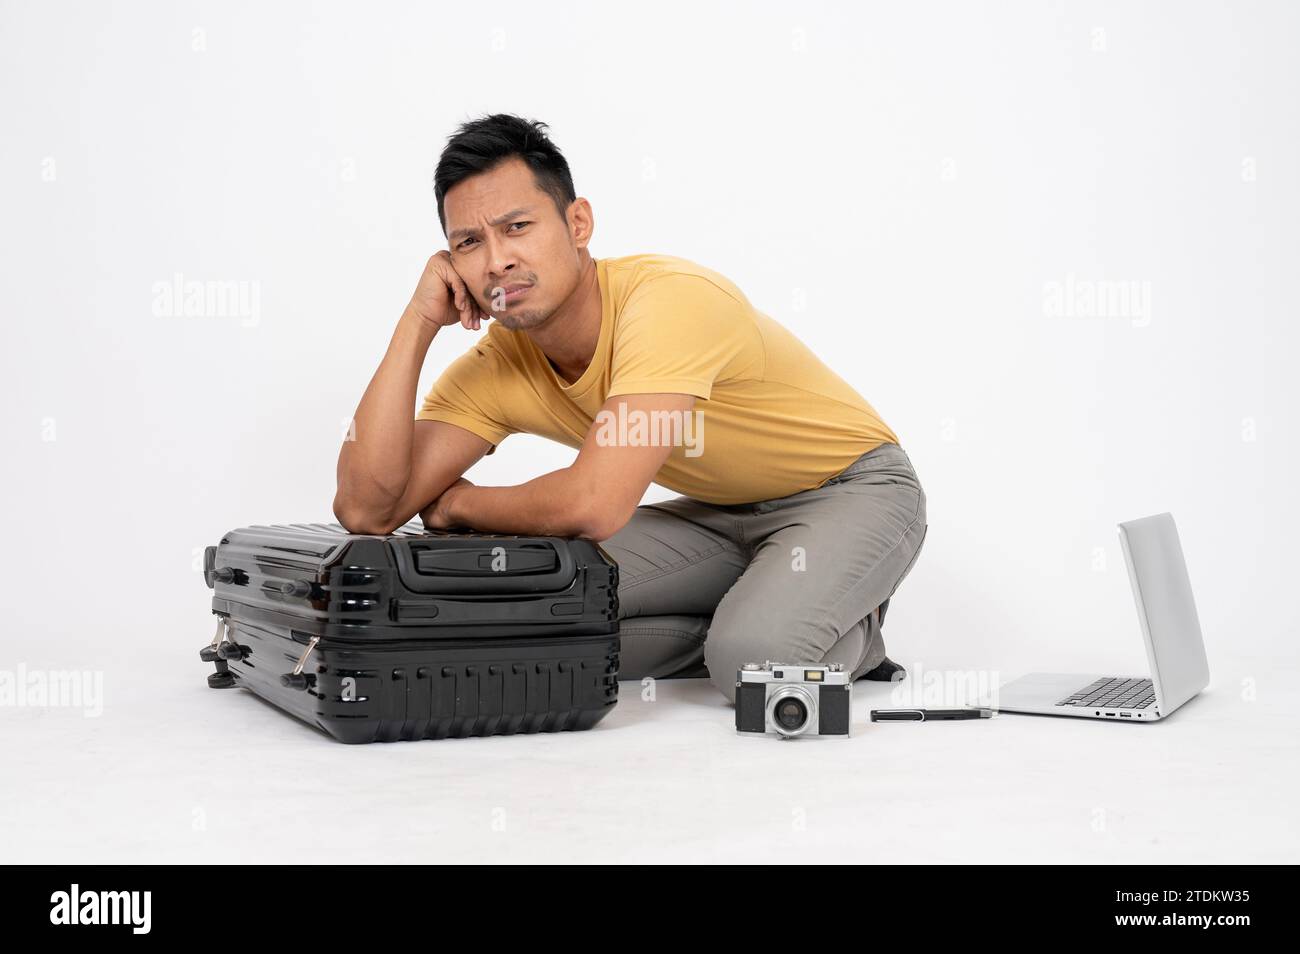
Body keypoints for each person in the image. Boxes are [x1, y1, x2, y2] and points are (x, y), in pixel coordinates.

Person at [333, 113, 928, 705]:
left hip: (855, 490)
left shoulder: (667, 302)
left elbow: (594, 505)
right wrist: (417, 322)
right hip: (719, 513)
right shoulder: (498, 364)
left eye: (517, 227)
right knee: (540, 612)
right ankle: (753, 612)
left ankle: (842, 634)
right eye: (469, 243)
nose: (496, 262)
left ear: (578, 223)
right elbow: (367, 508)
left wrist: (462, 504)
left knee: (753, 662)